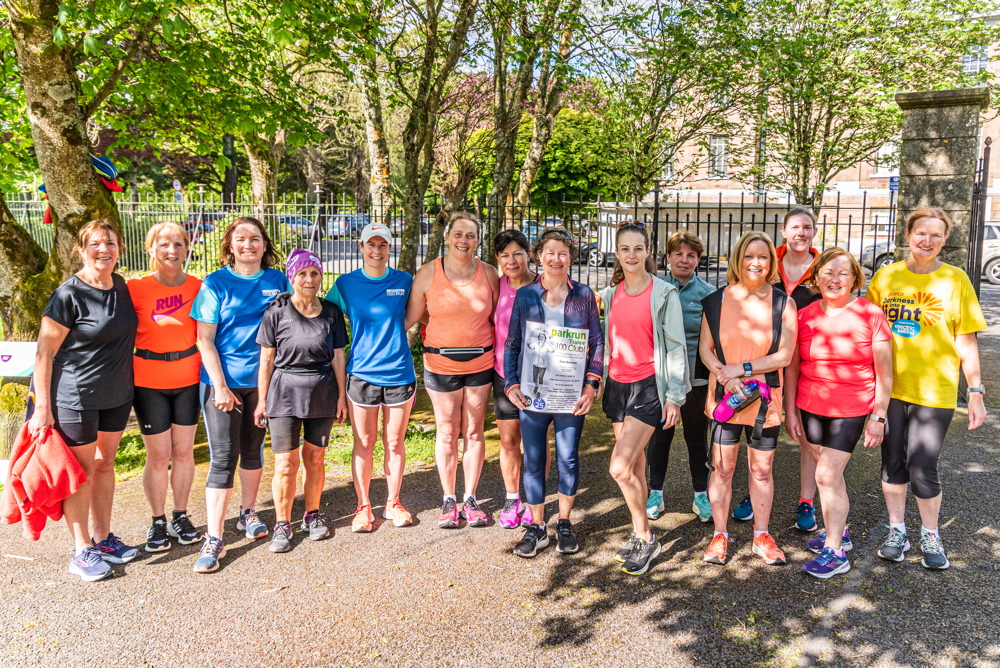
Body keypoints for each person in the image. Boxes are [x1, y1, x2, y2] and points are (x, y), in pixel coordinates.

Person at [865, 208, 987, 570]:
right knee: (892, 462)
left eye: (936, 235)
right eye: (921, 233)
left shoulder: (956, 280)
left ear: (945, 240)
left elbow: (966, 341)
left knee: (922, 465)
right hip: (891, 389)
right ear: (907, 235)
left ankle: (930, 534)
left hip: (935, 390)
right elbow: (867, 332)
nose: (927, 240)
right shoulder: (886, 277)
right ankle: (897, 532)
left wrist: (976, 391)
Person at [28, 220, 138, 581]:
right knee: (81, 473)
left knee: (105, 465)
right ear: (81, 250)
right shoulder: (68, 295)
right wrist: (43, 408)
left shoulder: (120, 285)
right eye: (95, 244)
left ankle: (103, 539)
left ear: (119, 249)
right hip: (75, 397)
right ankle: (81, 550)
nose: (104, 249)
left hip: (117, 395)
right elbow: (44, 353)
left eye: (110, 243)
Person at [784, 248, 893, 578]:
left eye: (843, 273)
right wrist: (790, 411)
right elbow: (793, 368)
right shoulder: (805, 316)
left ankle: (835, 553)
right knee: (828, 473)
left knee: (827, 475)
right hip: (809, 405)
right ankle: (839, 531)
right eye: (828, 273)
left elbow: (885, 373)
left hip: (852, 407)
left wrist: (879, 416)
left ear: (855, 278)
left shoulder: (870, 314)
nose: (834, 279)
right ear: (816, 277)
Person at [190, 216, 290, 573]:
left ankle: (247, 513)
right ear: (230, 246)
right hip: (222, 384)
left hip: (263, 384)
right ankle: (214, 538)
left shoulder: (278, 281)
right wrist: (219, 386)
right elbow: (204, 339)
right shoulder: (215, 284)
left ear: (265, 245)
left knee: (252, 450)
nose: (249, 244)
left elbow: (287, 329)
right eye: (241, 239)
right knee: (223, 457)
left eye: (255, 238)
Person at [505, 228, 604, 558]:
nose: (556, 259)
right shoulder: (526, 295)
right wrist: (511, 383)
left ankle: (564, 522)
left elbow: (597, 343)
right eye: (550, 252)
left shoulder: (584, 295)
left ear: (570, 257)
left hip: (569, 394)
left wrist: (591, 384)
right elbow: (513, 342)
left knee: (567, 458)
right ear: (539, 256)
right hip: (532, 392)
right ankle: (536, 527)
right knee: (533, 459)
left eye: (562, 253)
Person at [700, 231, 797, 566]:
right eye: (749, 256)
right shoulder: (716, 301)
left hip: (764, 402)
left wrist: (741, 369)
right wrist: (725, 376)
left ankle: (761, 536)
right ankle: (720, 535)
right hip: (725, 400)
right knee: (723, 469)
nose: (756, 263)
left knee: (762, 470)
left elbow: (784, 355)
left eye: (763, 257)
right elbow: (705, 350)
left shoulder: (784, 303)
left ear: (772, 262)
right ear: (738, 259)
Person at [601, 223, 688, 575]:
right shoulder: (610, 295)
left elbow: (677, 347)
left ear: (648, 251)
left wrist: (675, 396)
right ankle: (640, 534)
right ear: (617, 253)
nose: (632, 254)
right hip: (617, 387)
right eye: (625, 248)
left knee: (618, 468)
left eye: (638, 248)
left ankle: (646, 537)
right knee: (634, 467)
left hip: (649, 387)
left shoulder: (664, 293)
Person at [407, 212, 499, 528]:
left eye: (470, 235)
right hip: (440, 364)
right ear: (447, 237)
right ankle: (449, 500)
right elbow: (412, 317)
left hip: (481, 363)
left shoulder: (489, 273)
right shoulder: (427, 273)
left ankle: (470, 498)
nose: (463, 240)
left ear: (478, 240)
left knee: (473, 430)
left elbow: (499, 318)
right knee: (447, 431)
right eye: (458, 234)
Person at [733, 207, 822, 530]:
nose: (801, 233)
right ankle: (752, 492)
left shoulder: (822, 269)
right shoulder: (768, 262)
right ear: (784, 231)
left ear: (814, 232)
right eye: (795, 227)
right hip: (764, 360)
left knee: (807, 436)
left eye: (807, 227)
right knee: (755, 429)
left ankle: (806, 501)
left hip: (807, 359)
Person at [327, 222, 418, 532]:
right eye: (371, 244)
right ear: (361, 247)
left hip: (399, 373)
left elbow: (421, 312)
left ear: (389, 248)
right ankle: (363, 506)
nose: (377, 251)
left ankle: (393, 502)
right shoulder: (345, 284)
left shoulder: (404, 280)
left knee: (394, 442)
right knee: (364, 443)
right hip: (361, 374)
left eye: (383, 245)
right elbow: (323, 316)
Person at [256, 249, 347, 552]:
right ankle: (282, 523)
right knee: (286, 463)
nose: (309, 279)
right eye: (303, 273)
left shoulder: (332, 312)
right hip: (283, 392)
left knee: (315, 457)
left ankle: (312, 514)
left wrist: (342, 396)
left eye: (315, 273)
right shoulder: (276, 311)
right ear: (292, 277)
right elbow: (266, 359)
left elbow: (338, 356)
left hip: (323, 391)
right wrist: (261, 400)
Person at [127, 223, 203, 553]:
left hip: (188, 378)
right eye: (163, 244)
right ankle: (157, 520)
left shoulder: (199, 286)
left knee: (184, 452)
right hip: (148, 381)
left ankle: (180, 516)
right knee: (159, 456)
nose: (171, 250)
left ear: (186, 248)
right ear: (151, 249)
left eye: (178, 244)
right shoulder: (135, 288)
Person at [646, 231, 716, 524]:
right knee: (659, 438)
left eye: (691, 255)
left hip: (696, 382)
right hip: (662, 381)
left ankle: (701, 494)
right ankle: (655, 493)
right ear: (668, 258)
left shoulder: (709, 294)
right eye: (678, 254)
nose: (684, 260)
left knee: (696, 440)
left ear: (698, 260)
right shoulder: (656, 289)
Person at [492, 229, 538, 528]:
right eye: (505, 255)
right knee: (509, 441)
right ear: (498, 259)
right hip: (504, 377)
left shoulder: (543, 286)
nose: (512, 261)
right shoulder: (496, 286)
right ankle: (512, 498)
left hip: (538, 379)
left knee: (536, 443)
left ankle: (536, 499)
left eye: (517, 254)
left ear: (528, 254)